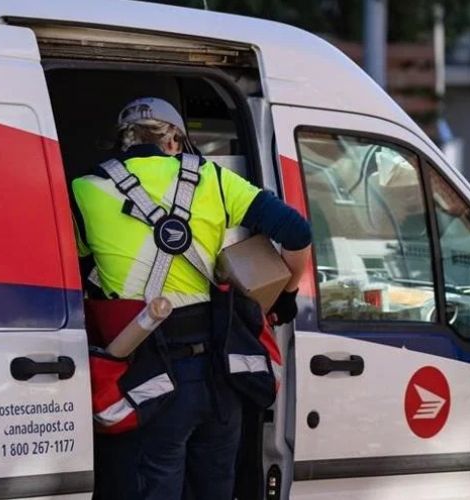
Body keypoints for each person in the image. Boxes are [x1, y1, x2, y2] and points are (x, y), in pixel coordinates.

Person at [71, 97, 312, 500]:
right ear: (176, 141)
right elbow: (296, 231)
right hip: (220, 374)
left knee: (154, 483)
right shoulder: (213, 177)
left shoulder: (85, 190)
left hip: (147, 372)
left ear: (124, 143)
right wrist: (285, 296)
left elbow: (74, 270)